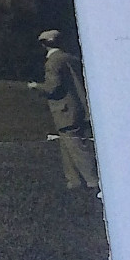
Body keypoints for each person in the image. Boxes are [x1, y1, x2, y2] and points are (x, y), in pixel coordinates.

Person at [29, 29, 99, 191]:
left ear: (44, 45)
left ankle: (92, 180)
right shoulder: (71, 59)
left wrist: (35, 87)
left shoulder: (53, 62)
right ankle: (73, 181)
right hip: (78, 107)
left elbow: (52, 88)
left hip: (65, 110)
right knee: (68, 144)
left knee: (75, 145)